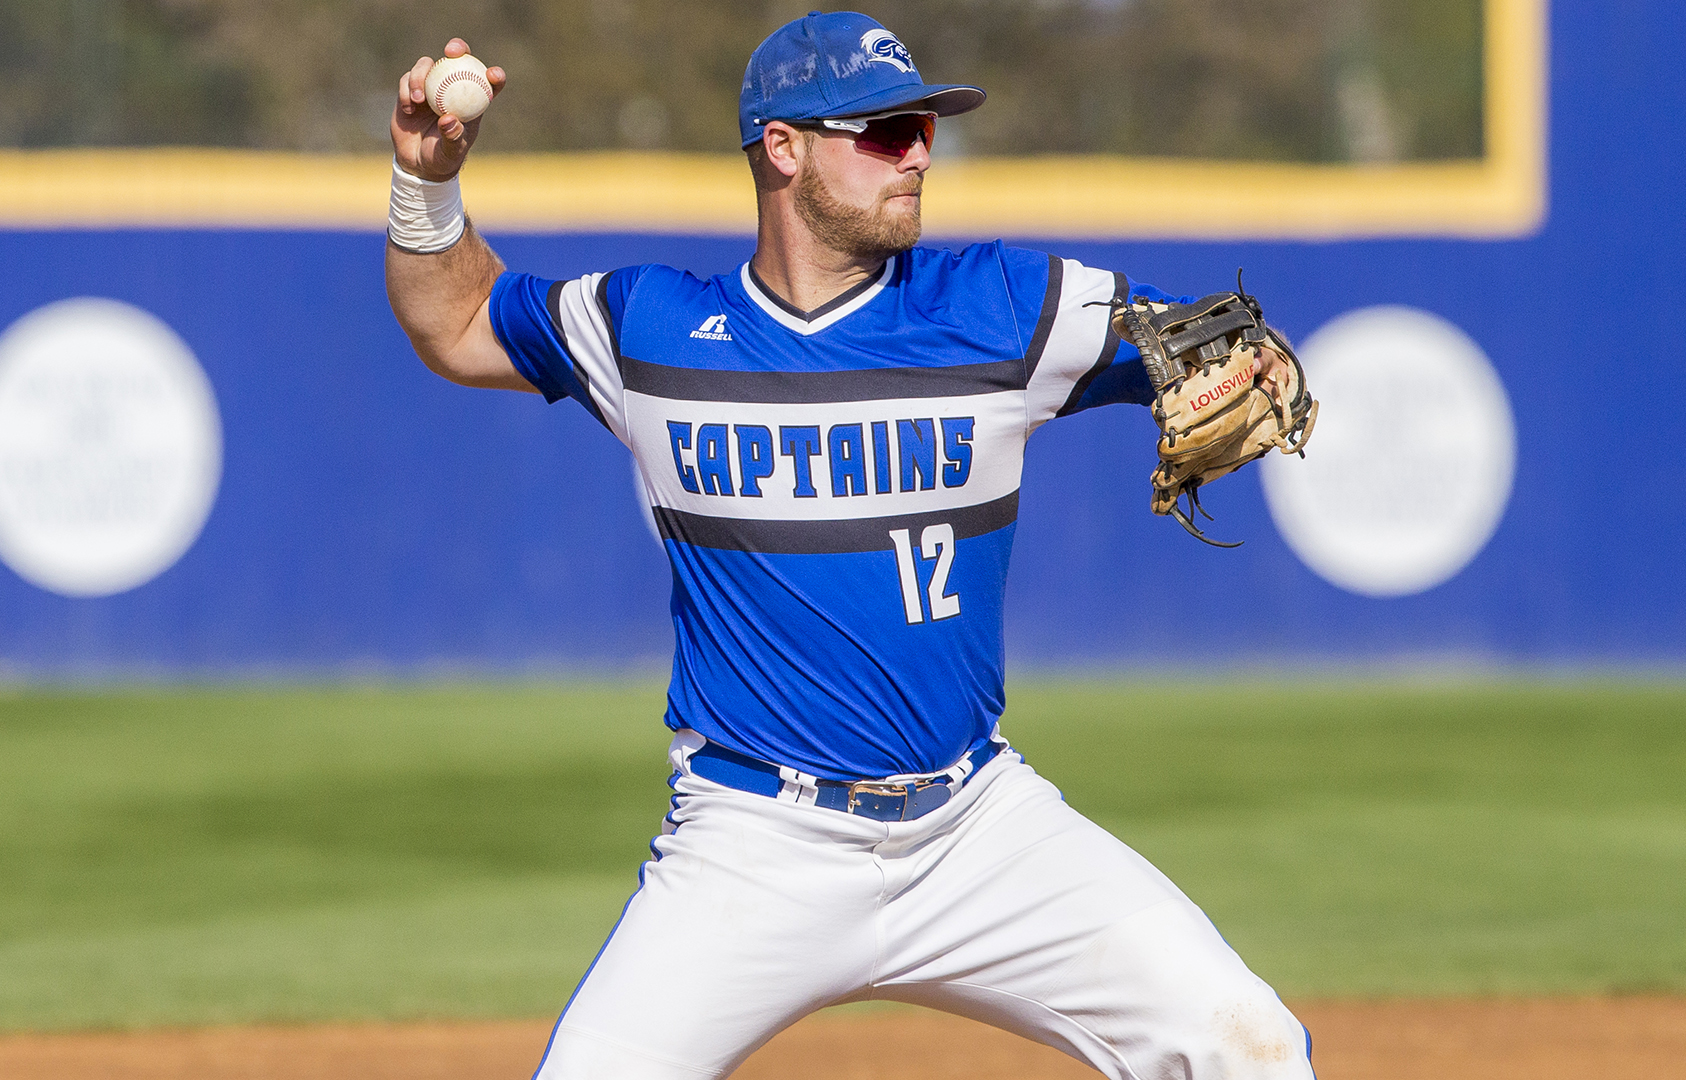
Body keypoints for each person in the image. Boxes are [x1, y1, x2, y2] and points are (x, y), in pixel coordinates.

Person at [385, 12, 1314, 1080]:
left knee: (1249, 1047)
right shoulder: (647, 329)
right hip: (752, 843)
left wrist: (1262, 359)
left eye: (923, 128)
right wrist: (426, 182)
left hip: (976, 830)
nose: (917, 154)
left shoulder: (1002, 306)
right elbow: (456, 324)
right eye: (882, 132)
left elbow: (1206, 341)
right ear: (782, 147)